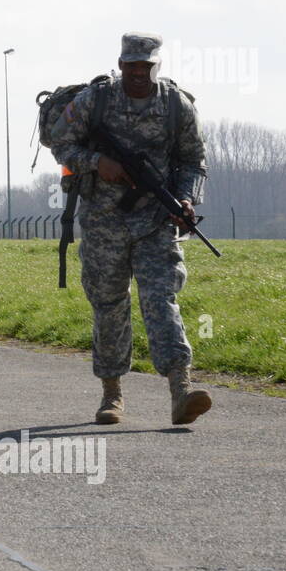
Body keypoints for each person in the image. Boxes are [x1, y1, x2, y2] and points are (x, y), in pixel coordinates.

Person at [49, 32, 213, 425]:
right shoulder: (96, 101)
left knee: (161, 299)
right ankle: (112, 393)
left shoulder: (176, 105)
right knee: (108, 305)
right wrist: (95, 162)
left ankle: (181, 388)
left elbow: (194, 160)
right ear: (121, 65)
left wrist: (186, 198)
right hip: (103, 221)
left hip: (154, 221)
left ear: (157, 66)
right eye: (132, 66)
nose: (139, 73)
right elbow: (60, 143)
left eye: (147, 67)